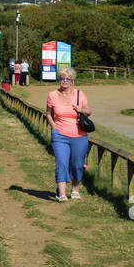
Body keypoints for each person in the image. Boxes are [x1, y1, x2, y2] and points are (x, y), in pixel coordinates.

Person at [45, 66, 91, 201]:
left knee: (77, 164)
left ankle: (75, 190)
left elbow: (89, 111)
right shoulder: (52, 95)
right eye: (62, 78)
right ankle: (62, 193)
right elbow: (48, 113)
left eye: (67, 79)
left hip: (79, 135)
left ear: (72, 81)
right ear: (58, 79)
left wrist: (80, 109)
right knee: (62, 163)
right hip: (60, 135)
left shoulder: (79, 94)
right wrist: (54, 128)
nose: (64, 81)